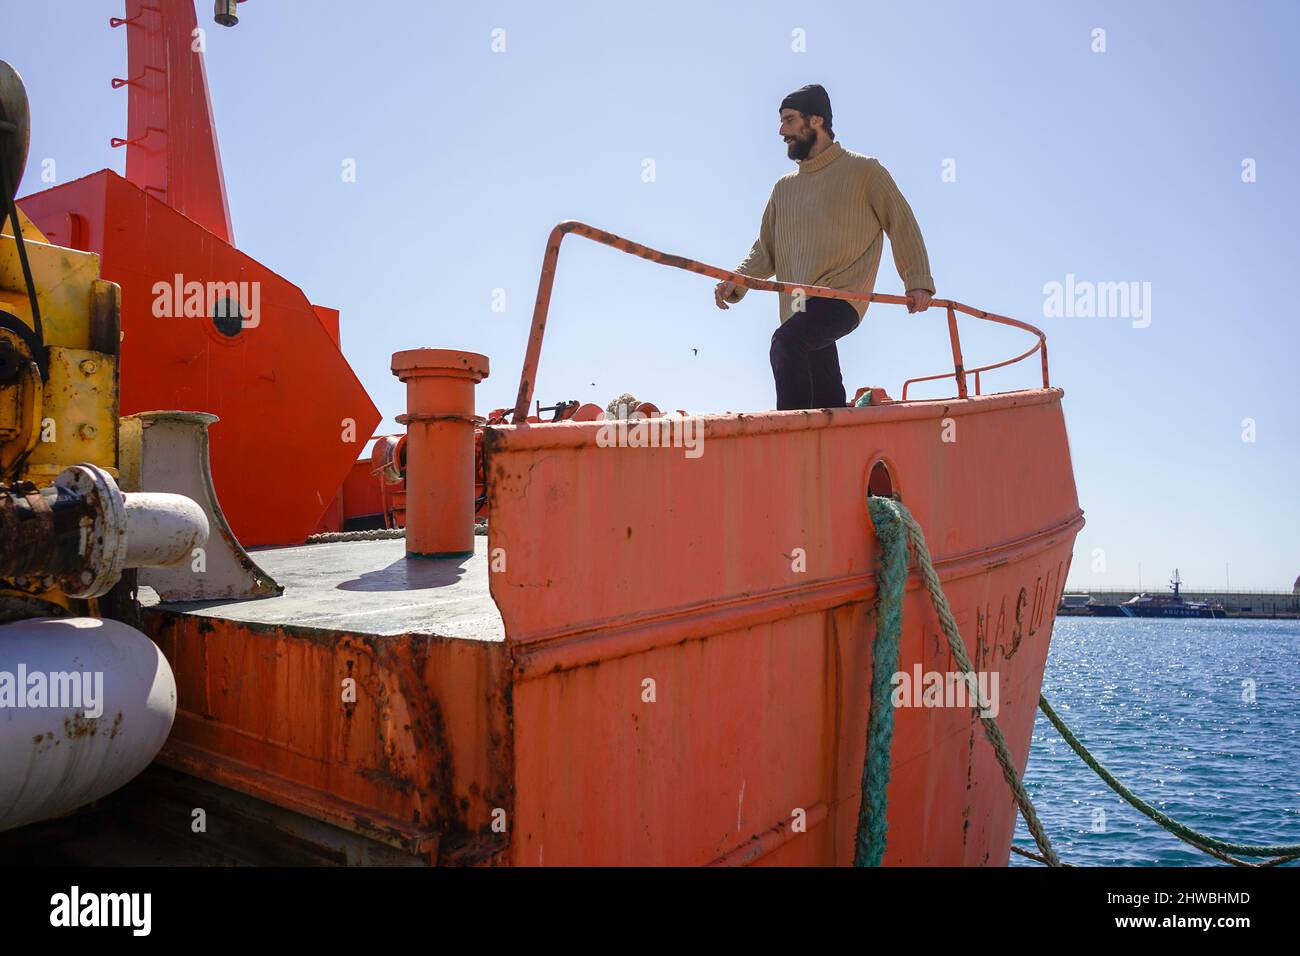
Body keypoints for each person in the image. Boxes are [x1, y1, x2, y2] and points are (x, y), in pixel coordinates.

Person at [714, 84, 936, 411]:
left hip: (842, 297)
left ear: (817, 120)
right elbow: (765, 250)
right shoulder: (783, 189)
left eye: (789, 120)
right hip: (798, 307)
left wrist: (917, 280)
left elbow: (901, 222)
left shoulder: (865, 172)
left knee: (786, 344)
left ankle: (792, 438)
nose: (781, 130)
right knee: (824, 391)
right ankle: (833, 446)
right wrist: (737, 280)